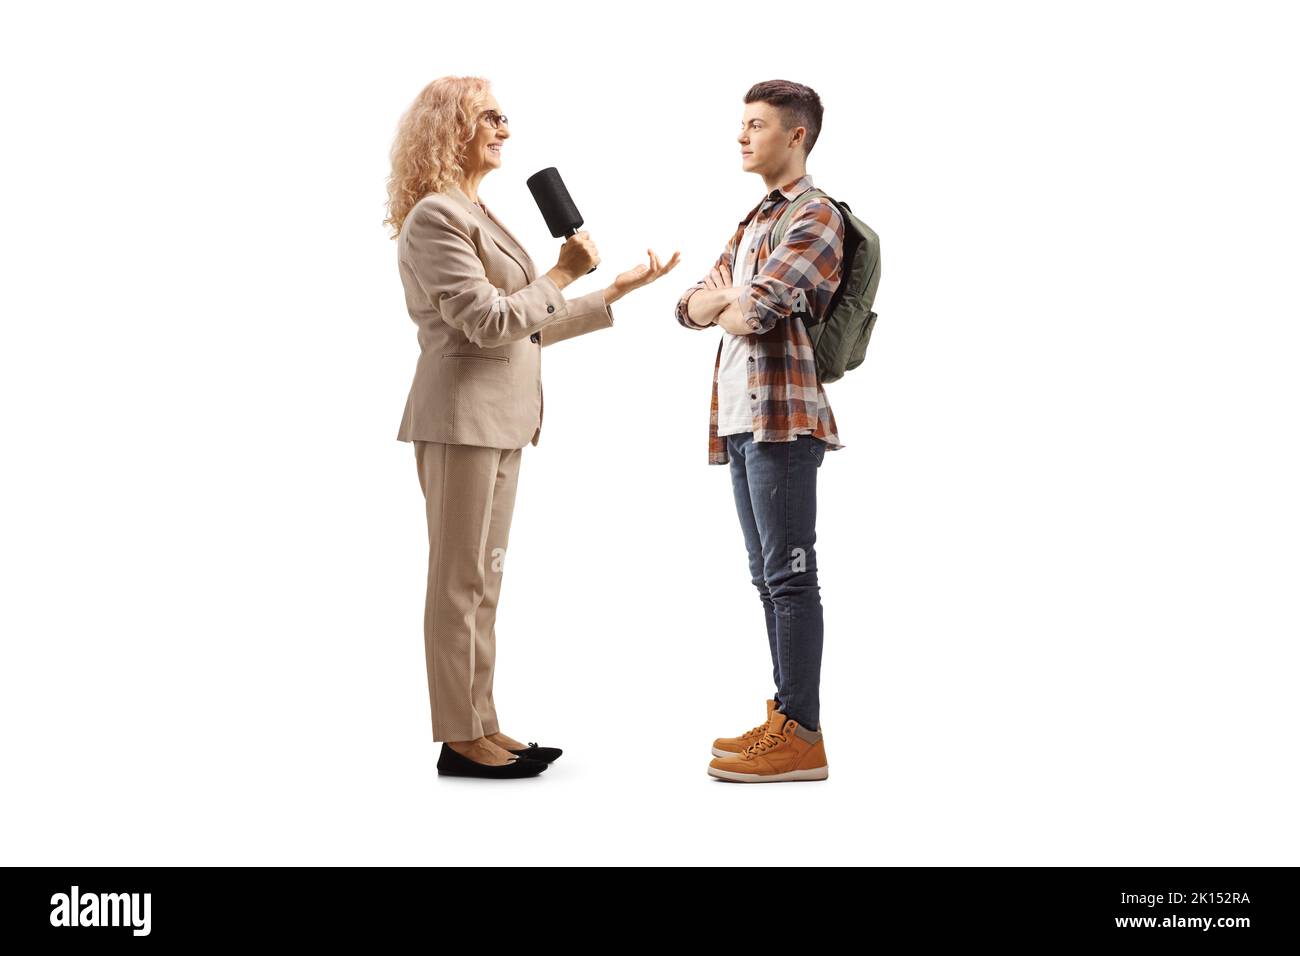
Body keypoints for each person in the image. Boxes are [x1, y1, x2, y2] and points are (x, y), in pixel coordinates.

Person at [385, 76, 679, 779]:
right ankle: (460, 738)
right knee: (458, 583)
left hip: (505, 420)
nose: (505, 129)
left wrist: (609, 292)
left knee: (483, 581)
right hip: (460, 420)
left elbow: (526, 326)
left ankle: (483, 723)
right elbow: (486, 323)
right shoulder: (436, 218)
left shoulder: (477, 210)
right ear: (449, 127)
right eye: (490, 117)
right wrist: (561, 270)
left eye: (505, 117)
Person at [674, 80, 845, 783]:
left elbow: (763, 307)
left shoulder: (818, 216)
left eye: (756, 125)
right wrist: (722, 302)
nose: (741, 137)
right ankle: (785, 718)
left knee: (790, 577)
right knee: (766, 579)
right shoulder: (752, 223)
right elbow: (688, 304)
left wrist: (729, 302)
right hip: (742, 421)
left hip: (783, 421)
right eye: (740, 125)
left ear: (795, 135)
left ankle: (803, 735)